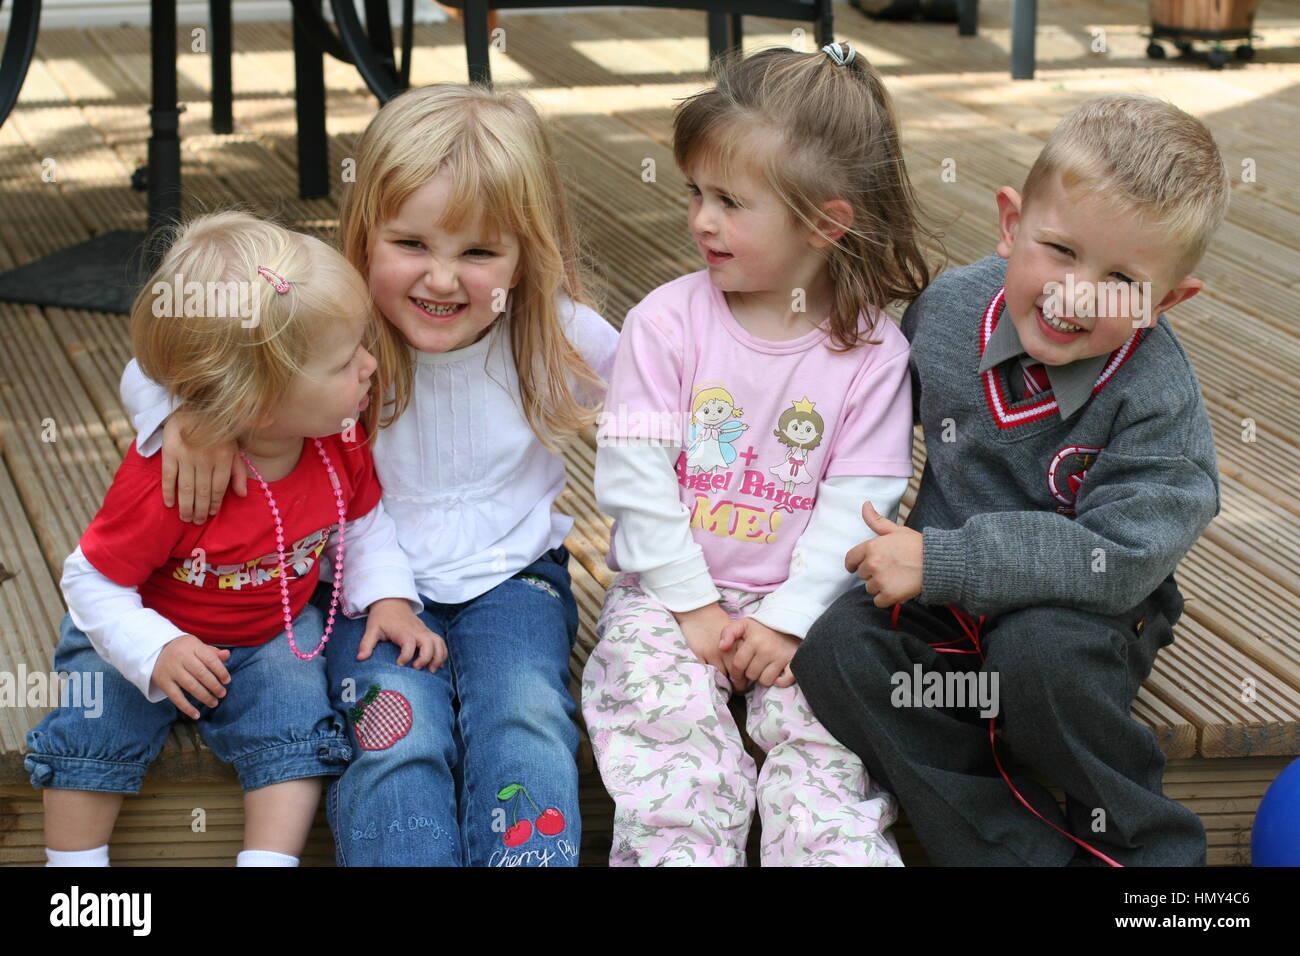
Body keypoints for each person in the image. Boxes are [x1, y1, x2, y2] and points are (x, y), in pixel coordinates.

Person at [120, 85, 619, 866]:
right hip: (361, 585)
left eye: (480, 252)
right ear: (364, 234)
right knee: (394, 734)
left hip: (515, 580)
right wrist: (185, 415)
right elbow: (155, 358)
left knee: (525, 718)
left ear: (528, 252)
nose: (444, 280)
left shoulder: (555, 332)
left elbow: (669, 395)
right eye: (412, 244)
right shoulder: (331, 327)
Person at [793, 93, 1230, 866]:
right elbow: (860, 408)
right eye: (1059, 250)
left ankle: (1151, 857)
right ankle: (1014, 852)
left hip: (1085, 612)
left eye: (1121, 278)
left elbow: (1121, 555)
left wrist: (946, 561)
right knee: (839, 654)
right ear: (1009, 223)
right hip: (944, 601)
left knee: (1037, 661)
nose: (1075, 293)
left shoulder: (1154, 399)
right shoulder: (951, 313)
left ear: (1166, 302)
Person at [583, 43, 928, 866]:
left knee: (831, 745)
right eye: (695, 193)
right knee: (660, 723)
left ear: (824, 222)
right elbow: (634, 478)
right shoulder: (666, 323)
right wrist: (692, 605)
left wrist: (787, 618)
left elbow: (861, 501)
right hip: (669, 595)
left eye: (731, 201)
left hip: (813, 607)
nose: (701, 219)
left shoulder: (872, 353)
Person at [24, 211, 430, 867]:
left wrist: (387, 597)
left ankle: (267, 860)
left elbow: (362, 523)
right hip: (150, 628)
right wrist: (152, 647)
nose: (369, 366)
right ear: (259, 405)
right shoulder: (176, 477)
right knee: (91, 725)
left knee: (299, 723)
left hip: (267, 634)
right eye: (343, 360)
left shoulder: (337, 444)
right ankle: (75, 875)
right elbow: (91, 580)